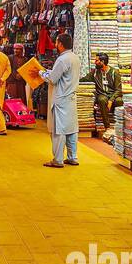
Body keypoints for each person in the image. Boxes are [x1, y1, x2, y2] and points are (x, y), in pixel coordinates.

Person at [41, 33, 80, 167]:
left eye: (56, 42)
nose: (55, 45)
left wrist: (42, 73)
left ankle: (57, 159)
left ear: (61, 44)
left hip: (61, 99)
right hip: (71, 97)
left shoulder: (62, 59)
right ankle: (72, 157)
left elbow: (53, 79)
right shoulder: (75, 58)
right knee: (72, 129)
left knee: (59, 130)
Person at [83, 52, 123, 135]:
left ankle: (119, 126)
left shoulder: (114, 72)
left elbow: (119, 90)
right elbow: (84, 79)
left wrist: (111, 100)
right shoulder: (95, 73)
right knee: (102, 99)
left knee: (119, 100)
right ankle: (107, 127)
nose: (95, 62)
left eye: (97, 60)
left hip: (113, 95)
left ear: (103, 62)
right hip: (102, 95)